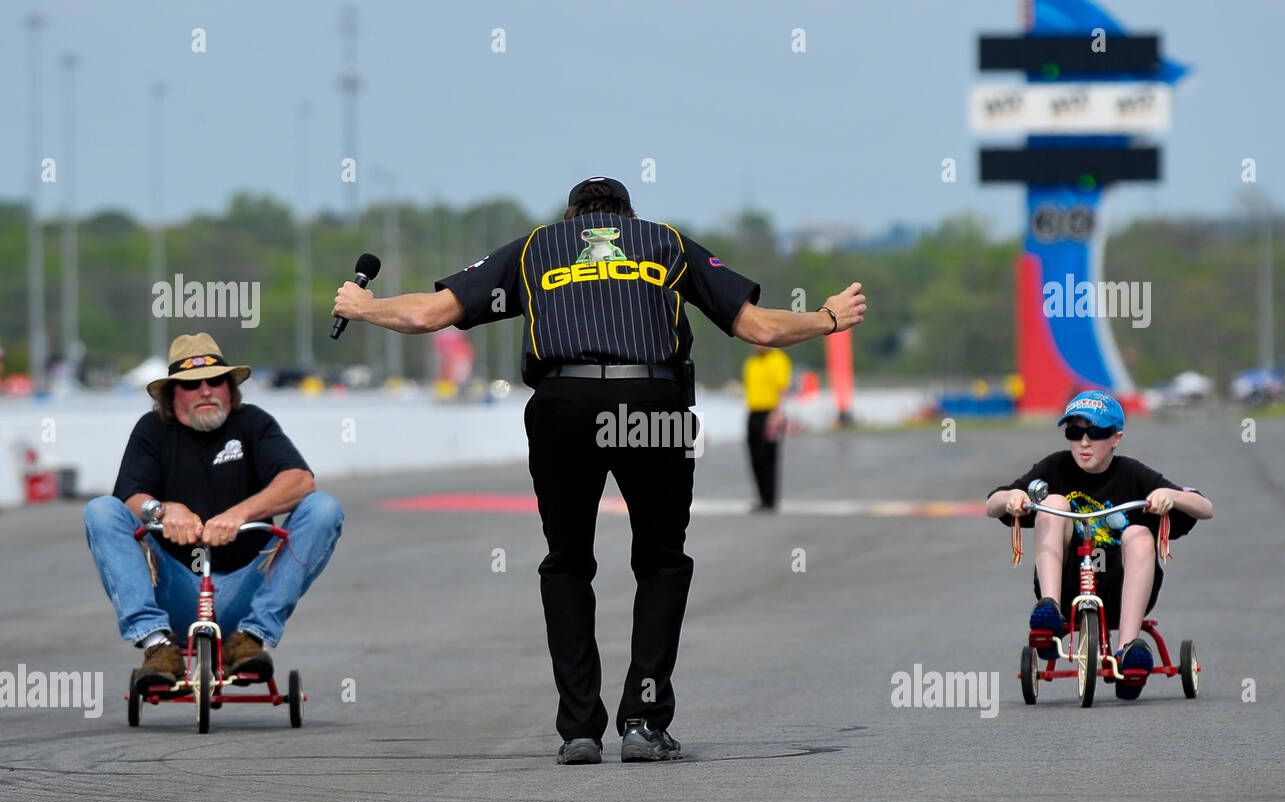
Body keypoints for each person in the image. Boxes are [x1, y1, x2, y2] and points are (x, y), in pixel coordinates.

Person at [332, 176, 866, 761]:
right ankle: (642, 723)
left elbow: (428, 315)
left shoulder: (537, 247)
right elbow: (759, 328)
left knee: (567, 565)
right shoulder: (664, 243)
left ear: (572, 217)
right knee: (661, 562)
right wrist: (829, 319)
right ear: (628, 215)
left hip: (564, 406)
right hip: (653, 405)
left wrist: (365, 307)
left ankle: (581, 730)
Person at [84, 333, 344, 692]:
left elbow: (300, 481)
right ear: (172, 394)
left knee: (324, 508)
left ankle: (254, 637)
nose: (205, 390)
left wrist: (239, 514)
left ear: (230, 388)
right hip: (175, 586)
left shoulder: (253, 423)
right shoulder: (152, 431)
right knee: (100, 510)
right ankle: (157, 645)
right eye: (192, 384)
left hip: (248, 588)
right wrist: (163, 511)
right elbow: (128, 497)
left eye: (215, 380)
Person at [985, 390, 1213, 699]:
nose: (1084, 442)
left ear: (1116, 437)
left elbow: (1205, 507)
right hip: (1067, 586)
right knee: (1052, 502)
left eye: (1096, 432)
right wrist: (1014, 498)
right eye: (1075, 431)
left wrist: (1171, 496)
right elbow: (992, 503)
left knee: (1139, 534)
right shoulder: (1055, 468)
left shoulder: (1132, 475)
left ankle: (1128, 649)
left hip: (1120, 587)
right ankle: (1049, 613)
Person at [743, 344, 792, 511]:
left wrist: (777, 414)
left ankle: (770, 499)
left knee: (768, 457)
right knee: (755, 456)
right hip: (754, 412)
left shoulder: (778, 360)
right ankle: (762, 497)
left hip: (771, 413)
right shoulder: (751, 362)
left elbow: (782, 389)